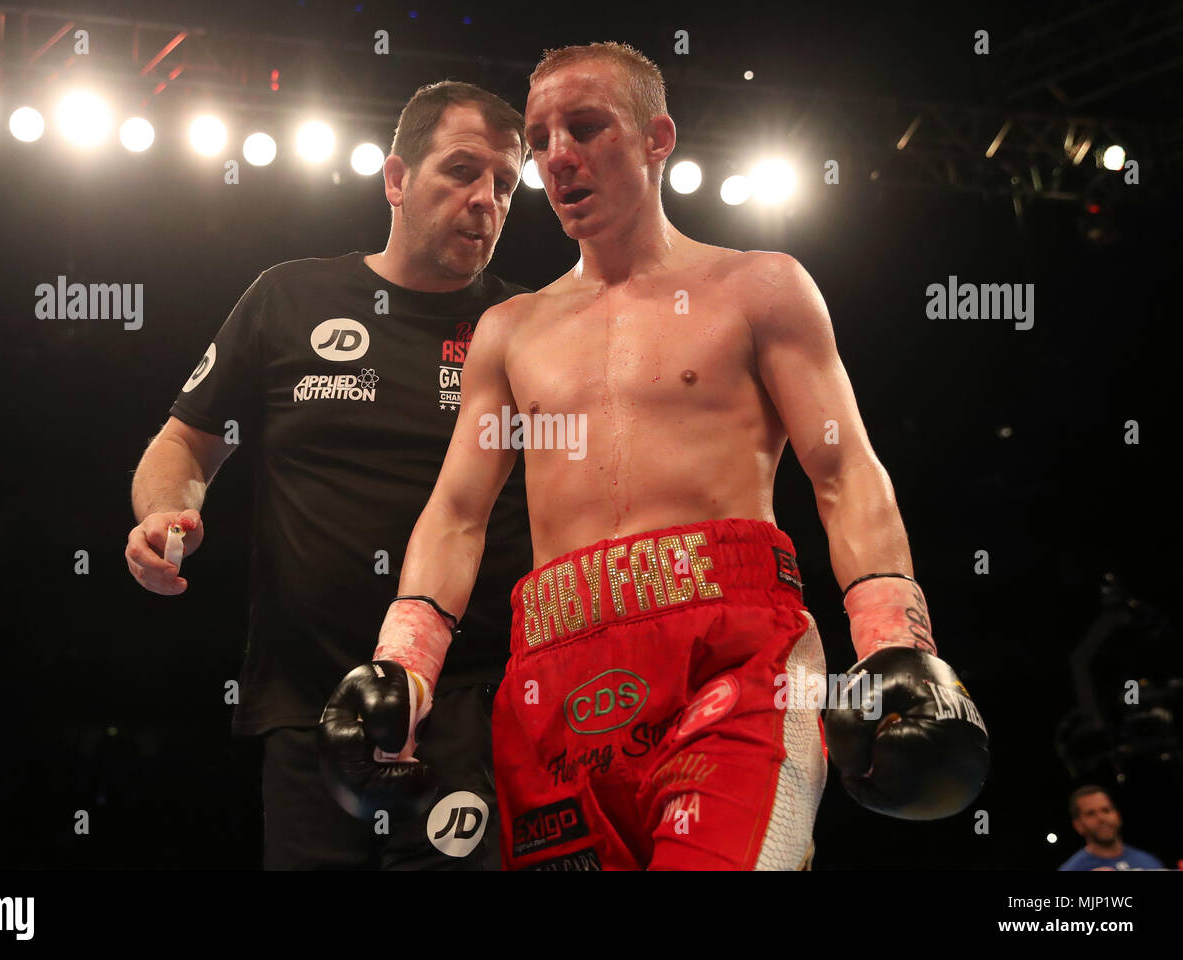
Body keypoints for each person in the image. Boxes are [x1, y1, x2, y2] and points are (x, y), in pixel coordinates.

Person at [319, 42, 988, 870]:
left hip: (735, 660)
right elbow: (457, 513)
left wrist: (895, 643)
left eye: (586, 126)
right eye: (540, 139)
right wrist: (401, 666)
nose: (557, 155)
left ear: (656, 137)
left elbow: (843, 469)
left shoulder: (761, 287)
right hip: (552, 684)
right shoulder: (509, 331)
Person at [125, 80, 533, 870]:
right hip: (309, 702)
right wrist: (163, 513)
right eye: (461, 171)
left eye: (508, 185)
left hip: (470, 706)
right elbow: (184, 441)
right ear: (396, 179)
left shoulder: (527, 324)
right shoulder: (288, 297)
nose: (487, 200)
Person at [1059, 785, 1167, 870]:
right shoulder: (1072, 869)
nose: (1101, 818)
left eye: (1106, 810)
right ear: (1078, 825)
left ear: (1117, 815)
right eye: (1091, 814)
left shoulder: (1149, 861)